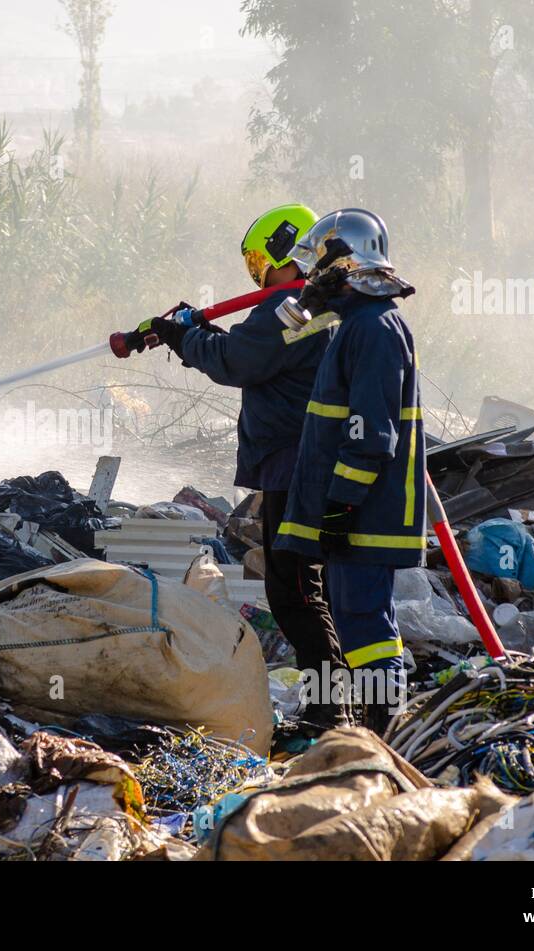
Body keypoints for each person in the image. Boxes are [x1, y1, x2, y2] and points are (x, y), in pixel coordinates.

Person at [149, 203, 349, 731]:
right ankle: (335, 707)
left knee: (295, 590)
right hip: (306, 463)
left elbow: (239, 360)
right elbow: (248, 348)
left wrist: (181, 338)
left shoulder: (297, 307)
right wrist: (193, 334)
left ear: (285, 252)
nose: (258, 272)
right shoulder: (320, 305)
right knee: (305, 588)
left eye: (261, 259)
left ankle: (331, 714)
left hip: (295, 466)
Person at [272, 207, 425, 734]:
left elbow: (370, 434)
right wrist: (306, 307)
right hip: (354, 509)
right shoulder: (354, 324)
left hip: (366, 510)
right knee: (357, 621)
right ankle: (371, 727)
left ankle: (382, 734)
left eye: (319, 266)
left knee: (365, 626)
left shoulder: (376, 329)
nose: (310, 277)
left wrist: (341, 505)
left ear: (347, 261)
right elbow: (277, 349)